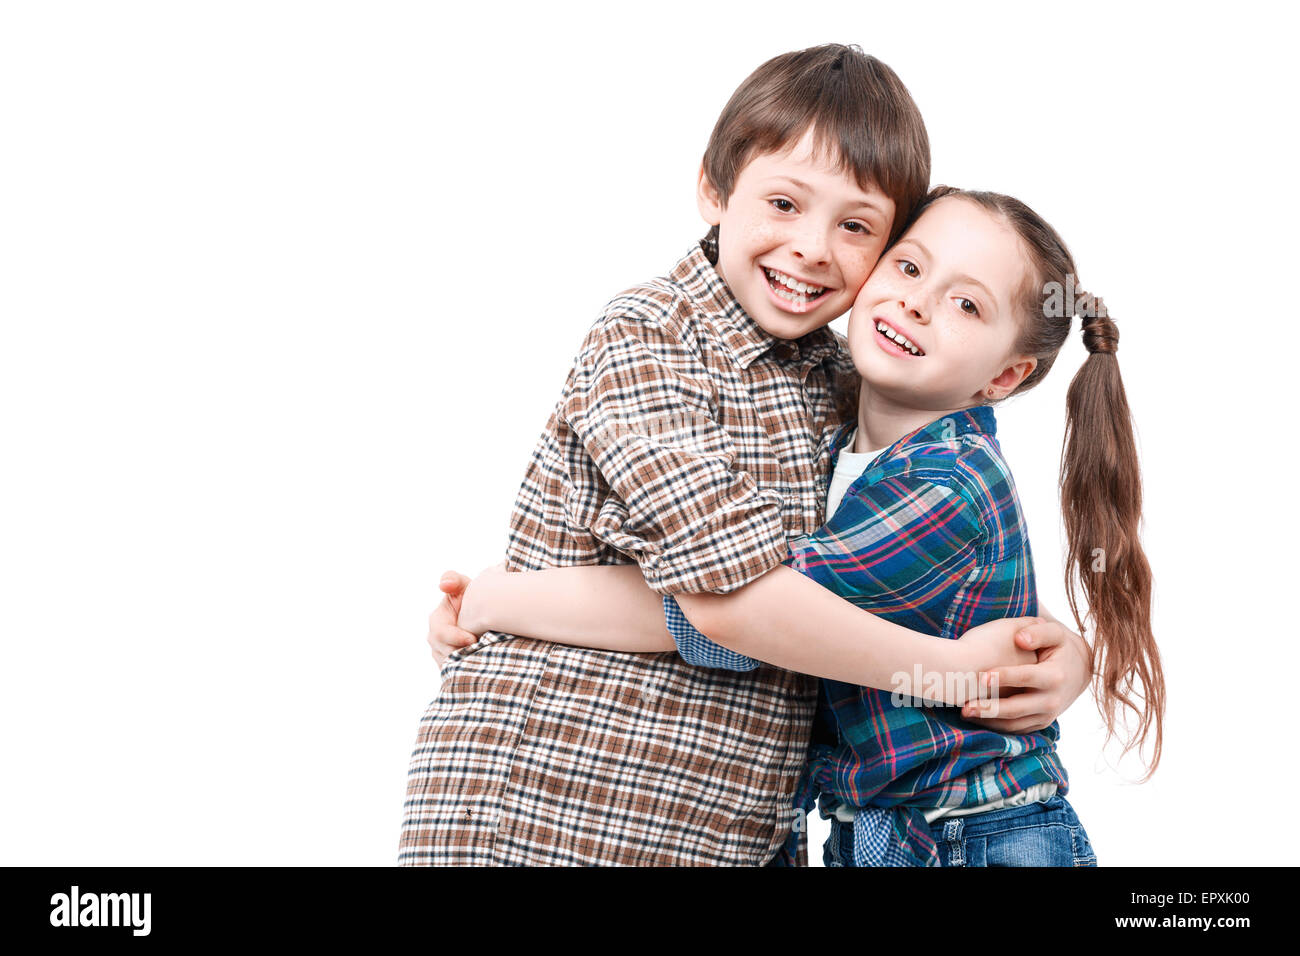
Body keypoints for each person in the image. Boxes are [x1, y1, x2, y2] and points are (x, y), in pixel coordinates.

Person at [403, 45, 1093, 867]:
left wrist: (1054, 652)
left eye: (856, 227)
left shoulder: (838, 376)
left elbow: (890, 574)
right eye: (783, 203)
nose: (809, 246)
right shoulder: (649, 338)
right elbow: (728, 601)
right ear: (714, 189)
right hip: (562, 792)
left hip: (727, 821)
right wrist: (493, 600)